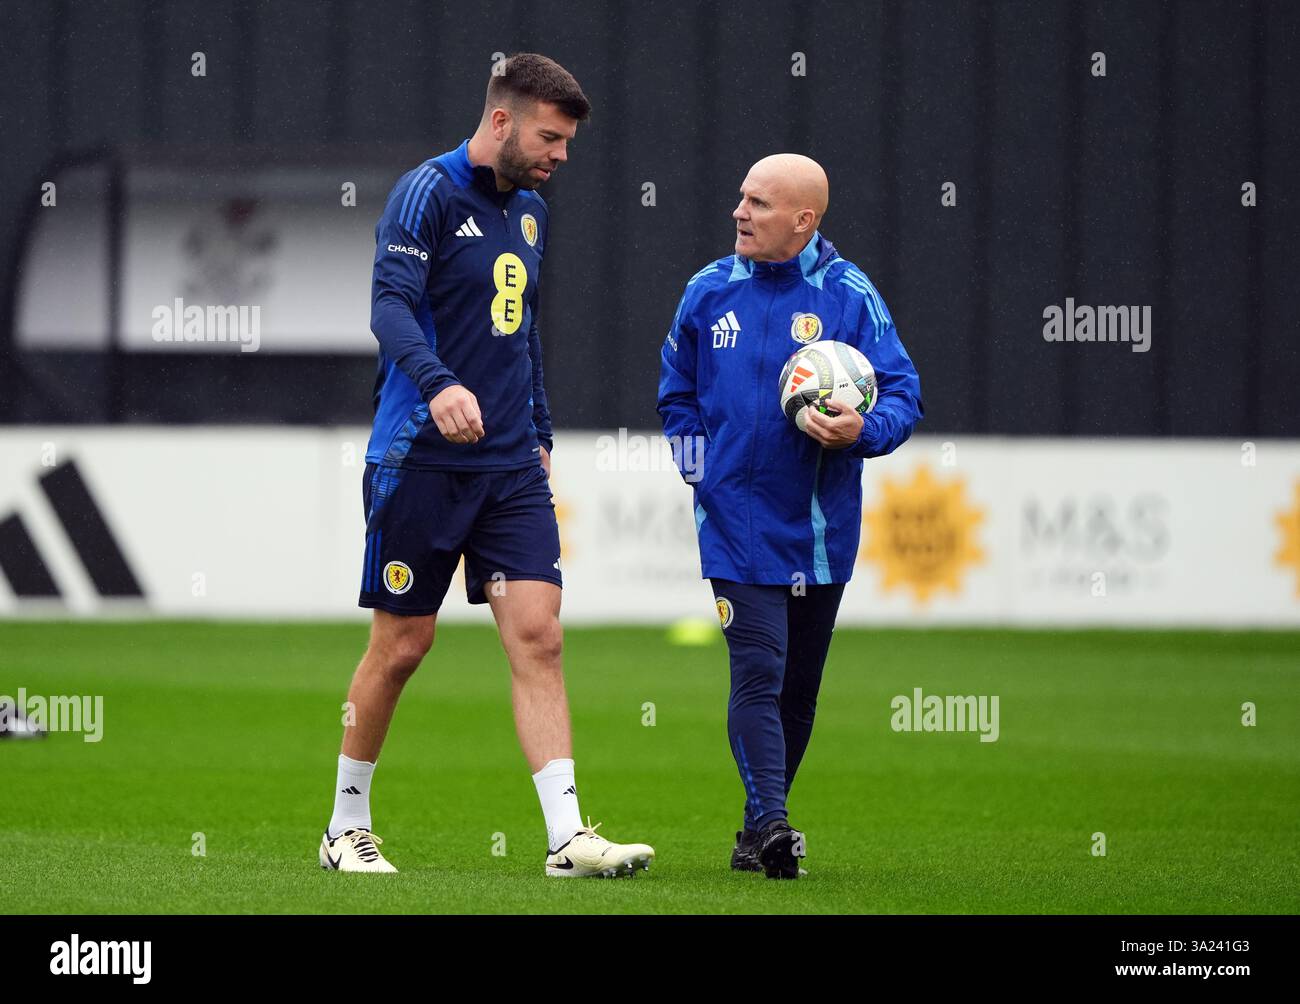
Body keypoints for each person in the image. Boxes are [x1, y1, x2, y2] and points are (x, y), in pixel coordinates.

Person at [321, 53, 654, 878]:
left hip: (509, 468)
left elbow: (522, 331)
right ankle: (344, 828)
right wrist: (437, 387)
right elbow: (389, 307)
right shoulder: (426, 193)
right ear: (501, 120)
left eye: (569, 140)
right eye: (550, 136)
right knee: (403, 645)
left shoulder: (533, 211)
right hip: (422, 460)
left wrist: (539, 428)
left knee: (539, 637)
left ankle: (567, 839)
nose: (561, 155)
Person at [657, 153, 922, 878]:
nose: (740, 212)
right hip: (734, 525)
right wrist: (700, 473)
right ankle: (774, 823)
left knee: (798, 688)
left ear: (804, 221)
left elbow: (902, 393)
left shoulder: (849, 295)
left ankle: (753, 829)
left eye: (760, 204)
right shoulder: (708, 293)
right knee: (758, 670)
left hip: (819, 528)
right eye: (741, 197)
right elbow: (675, 393)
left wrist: (861, 432)